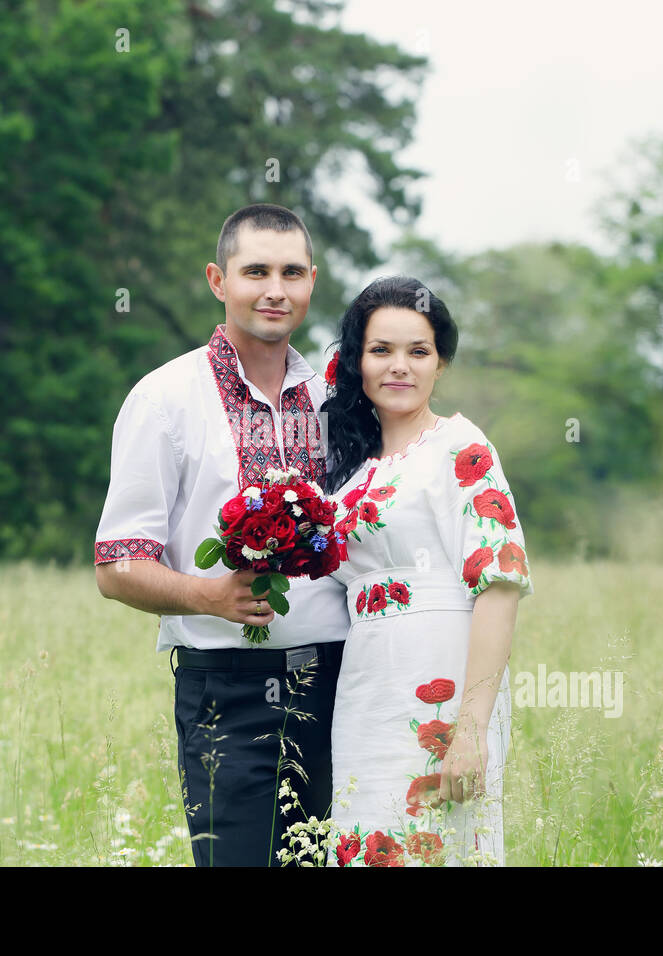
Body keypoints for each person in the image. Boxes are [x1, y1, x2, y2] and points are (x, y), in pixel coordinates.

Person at [93, 203, 349, 867]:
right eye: (255, 271)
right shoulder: (165, 399)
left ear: (312, 282)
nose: (275, 289)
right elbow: (115, 566)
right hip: (227, 691)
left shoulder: (336, 398)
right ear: (218, 279)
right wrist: (209, 596)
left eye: (292, 272)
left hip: (339, 684)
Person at [320, 276, 532, 867]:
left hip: (439, 672)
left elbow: (499, 584)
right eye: (381, 350)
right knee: (368, 843)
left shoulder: (460, 447)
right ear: (355, 361)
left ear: (441, 364)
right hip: (365, 681)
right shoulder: (352, 471)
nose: (400, 367)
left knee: (442, 845)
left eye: (419, 351)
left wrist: (470, 728)